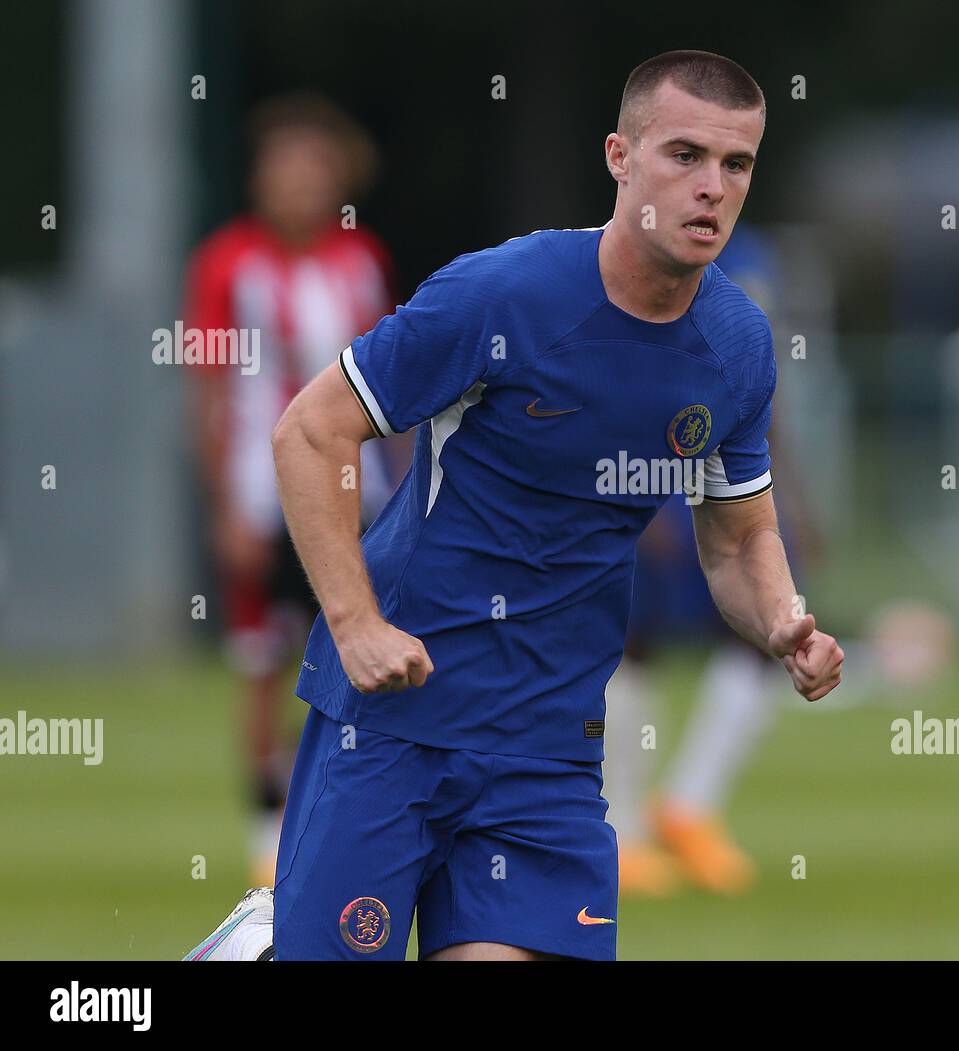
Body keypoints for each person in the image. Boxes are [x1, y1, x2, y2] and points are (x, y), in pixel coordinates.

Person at [185, 49, 842, 963]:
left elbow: (738, 538)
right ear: (620, 157)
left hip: (550, 746)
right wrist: (356, 622)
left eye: (735, 165)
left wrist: (782, 619)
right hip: (396, 719)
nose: (711, 187)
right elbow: (310, 432)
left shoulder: (735, 341)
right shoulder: (502, 292)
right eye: (683, 155)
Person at [185, 94, 401, 889]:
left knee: (356, 654)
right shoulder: (225, 262)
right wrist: (221, 505)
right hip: (260, 491)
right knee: (263, 658)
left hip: (359, 490)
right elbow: (207, 390)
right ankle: (265, 832)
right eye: (284, 171)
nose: (298, 186)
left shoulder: (362, 260)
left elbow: (393, 380)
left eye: (315, 172)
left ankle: (344, 814)